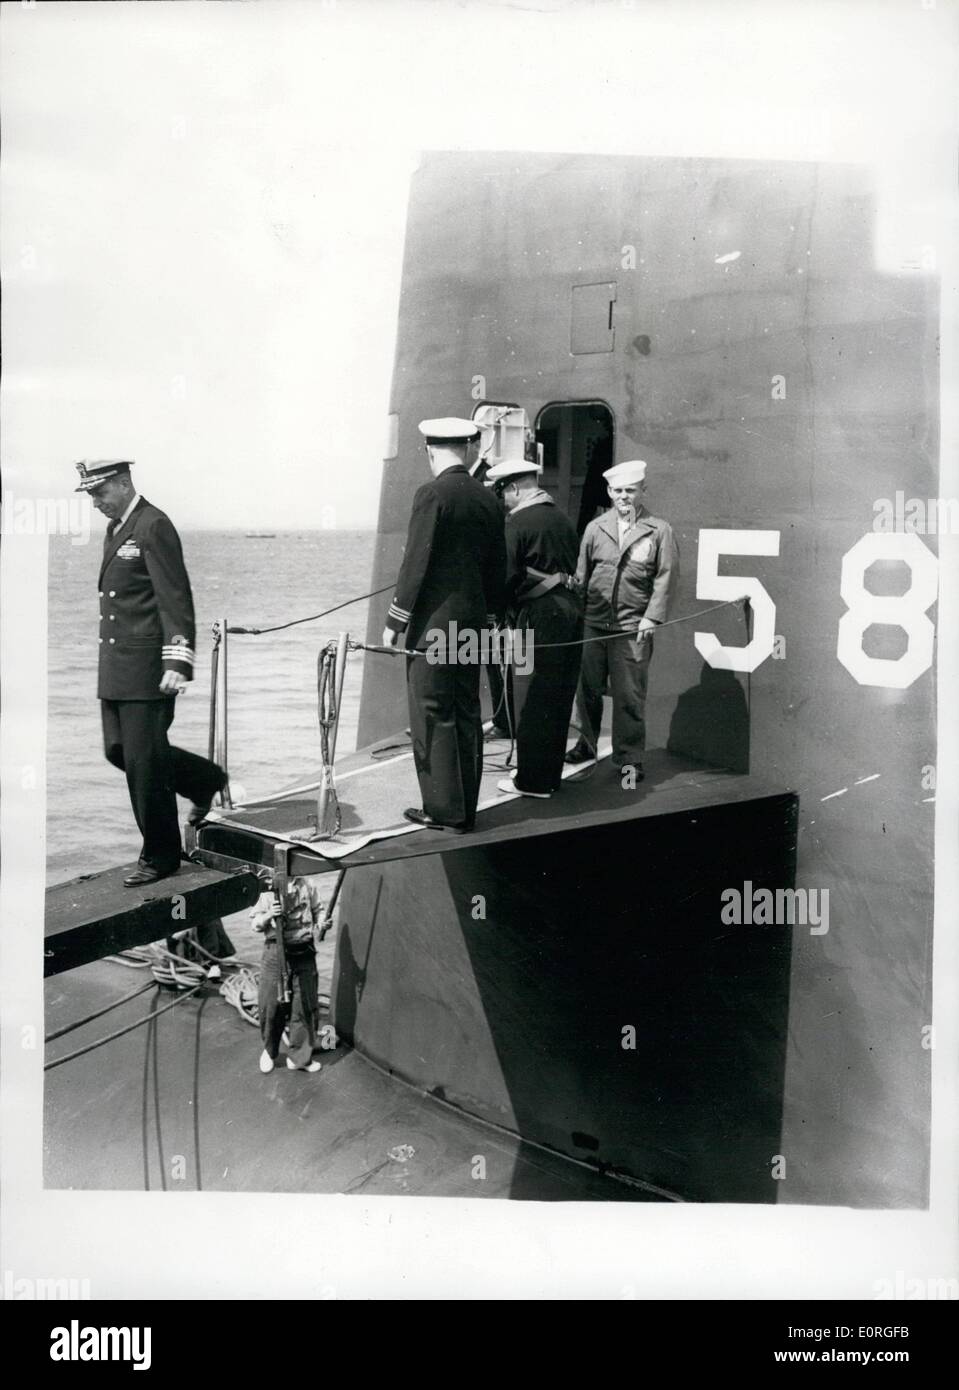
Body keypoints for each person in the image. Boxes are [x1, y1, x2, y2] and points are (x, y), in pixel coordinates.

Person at [75, 459, 227, 886]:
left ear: (123, 484)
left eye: (100, 492)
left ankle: (161, 856)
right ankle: (205, 780)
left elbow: (174, 596)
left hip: (146, 670)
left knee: (144, 762)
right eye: (90, 495)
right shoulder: (118, 529)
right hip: (118, 667)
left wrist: (177, 660)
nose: (96, 502)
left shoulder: (153, 525)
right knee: (119, 751)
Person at [382, 418, 506, 832]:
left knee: (432, 712)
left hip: (434, 625)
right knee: (467, 709)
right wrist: (489, 619)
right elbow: (496, 569)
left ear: (431, 451)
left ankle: (442, 809)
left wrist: (395, 620)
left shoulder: (431, 494)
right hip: (471, 623)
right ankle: (466, 808)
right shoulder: (489, 499)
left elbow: (415, 562)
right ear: (468, 449)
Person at [565, 459, 679, 777]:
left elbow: (666, 578)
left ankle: (628, 758)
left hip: (633, 628)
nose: (623, 497)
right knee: (587, 689)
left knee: (629, 694)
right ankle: (586, 744)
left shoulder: (659, 531)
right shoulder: (595, 528)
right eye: (617, 491)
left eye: (630, 490)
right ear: (609, 492)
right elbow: (582, 576)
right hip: (594, 624)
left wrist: (652, 618)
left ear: (643, 490)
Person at [485, 458, 583, 798]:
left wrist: (498, 616)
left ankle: (531, 781)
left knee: (532, 695)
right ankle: (549, 775)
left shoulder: (517, 522)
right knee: (558, 695)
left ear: (512, 488)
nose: (503, 500)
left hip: (538, 615)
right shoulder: (562, 519)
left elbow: (507, 577)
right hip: (571, 612)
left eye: (502, 493)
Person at [251, 875, 323, 1074]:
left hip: (304, 951)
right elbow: (255, 924)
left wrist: (322, 923)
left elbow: (318, 910)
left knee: (304, 1004)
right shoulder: (266, 887)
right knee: (270, 1004)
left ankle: (299, 1058)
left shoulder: (308, 883)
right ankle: (269, 1051)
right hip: (276, 950)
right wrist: (268, 916)